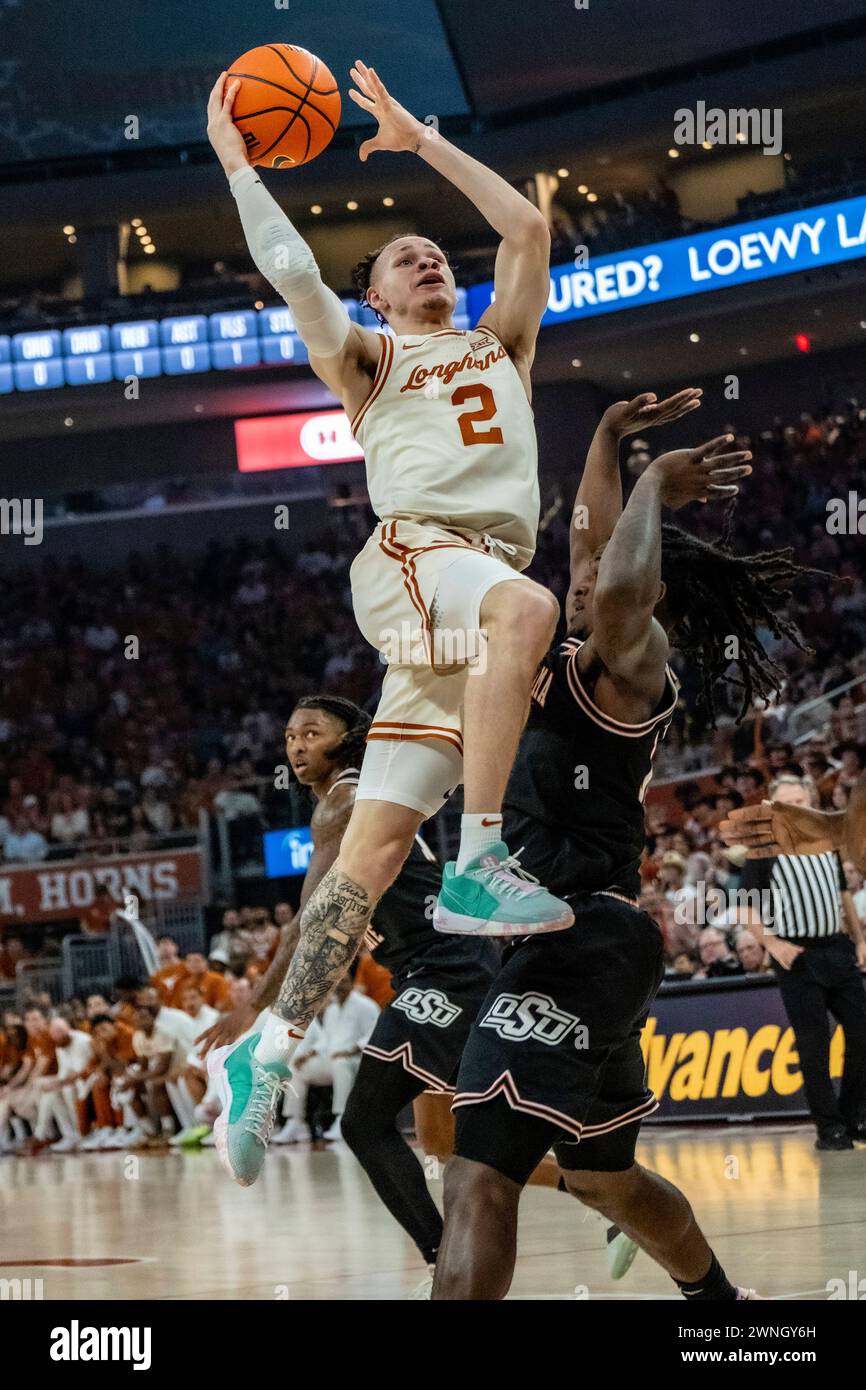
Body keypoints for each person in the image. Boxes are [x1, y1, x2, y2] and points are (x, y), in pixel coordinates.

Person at [206, 59, 571, 975]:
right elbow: (294, 275)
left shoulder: (502, 344)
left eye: (435, 251)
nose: (429, 258)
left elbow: (526, 227)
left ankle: (269, 1053)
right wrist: (236, 166)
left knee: (371, 850)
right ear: (377, 297)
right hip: (422, 557)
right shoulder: (369, 358)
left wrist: (423, 142)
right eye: (406, 258)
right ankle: (480, 859)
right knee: (528, 611)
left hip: (464, 595)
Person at [433, 418, 793, 1299]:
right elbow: (593, 547)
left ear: (653, 597)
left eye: (600, 580)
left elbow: (623, 580)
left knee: (476, 1168)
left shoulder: (634, 668)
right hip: (579, 943)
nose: (583, 579)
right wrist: (603, 438)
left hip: (578, 940)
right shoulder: (564, 649)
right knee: (601, 1178)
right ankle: (724, 1309)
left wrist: (653, 490)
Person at [735, 775, 866, 1150]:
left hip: (837, 948)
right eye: (787, 802)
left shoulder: (828, 843)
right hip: (797, 956)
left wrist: (859, 940)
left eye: (801, 799)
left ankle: (854, 1114)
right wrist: (773, 943)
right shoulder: (763, 851)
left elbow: (843, 896)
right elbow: (745, 908)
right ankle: (830, 1128)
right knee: (815, 1044)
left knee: (862, 1034)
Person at [278, 974, 379, 1143]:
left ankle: (342, 1120)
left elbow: (374, 1034)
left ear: (352, 983)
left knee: (341, 1064)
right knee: (298, 1068)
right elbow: (325, 1039)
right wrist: (309, 1054)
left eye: (344, 982)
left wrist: (351, 1050)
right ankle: (296, 1122)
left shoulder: (365, 1005)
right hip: (331, 1060)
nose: (339, 987)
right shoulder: (331, 1010)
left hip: (357, 1060)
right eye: (336, 984)